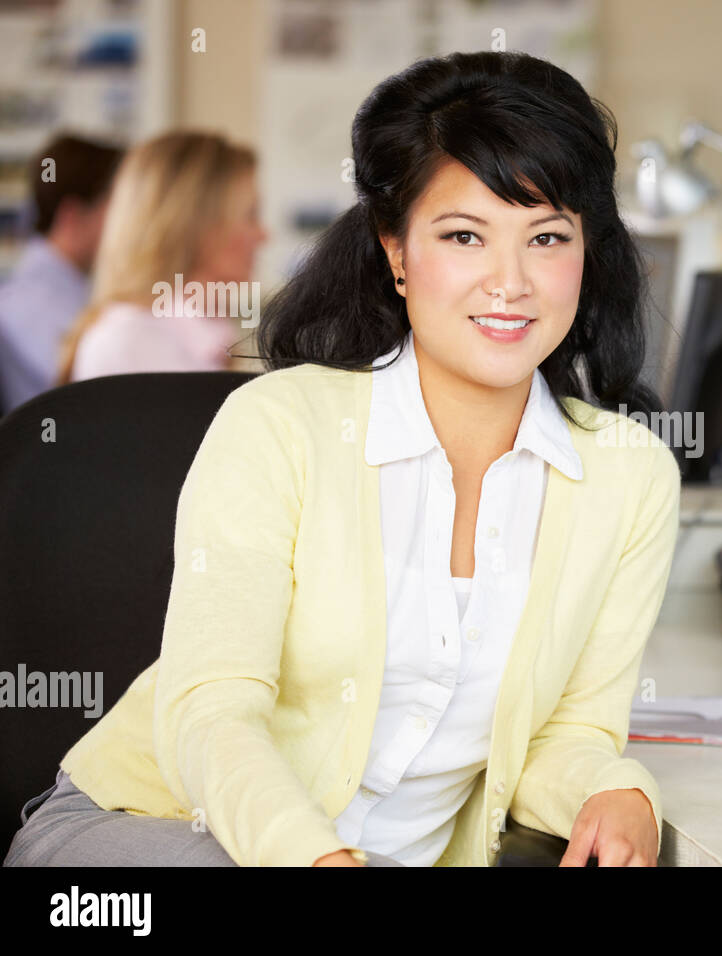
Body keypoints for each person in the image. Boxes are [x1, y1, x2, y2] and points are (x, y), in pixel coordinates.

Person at [4, 51, 680, 868]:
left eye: (546, 237)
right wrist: (314, 859)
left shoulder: (629, 476)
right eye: (464, 235)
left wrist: (615, 789)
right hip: (161, 830)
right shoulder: (280, 425)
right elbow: (212, 712)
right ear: (397, 251)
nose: (511, 282)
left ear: (586, 254)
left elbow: (568, 733)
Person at [54, 131, 265, 385]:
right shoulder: (126, 343)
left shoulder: (208, 333)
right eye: (250, 215)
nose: (264, 235)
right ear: (194, 225)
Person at [0, 134, 122, 414]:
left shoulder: (69, 290)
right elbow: (101, 396)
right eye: (117, 207)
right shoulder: (31, 302)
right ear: (73, 215)